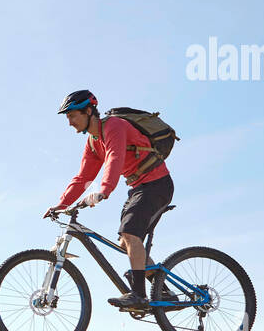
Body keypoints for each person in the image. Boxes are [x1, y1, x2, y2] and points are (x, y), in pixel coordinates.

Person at [43, 90, 174, 311]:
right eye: (67, 117)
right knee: (126, 241)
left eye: (72, 115)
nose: (70, 122)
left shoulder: (114, 126)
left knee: (131, 234)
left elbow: (115, 156)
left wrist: (104, 191)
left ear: (88, 111)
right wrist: (62, 204)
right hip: (138, 188)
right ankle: (163, 290)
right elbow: (84, 177)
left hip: (157, 184)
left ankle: (139, 296)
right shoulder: (93, 142)